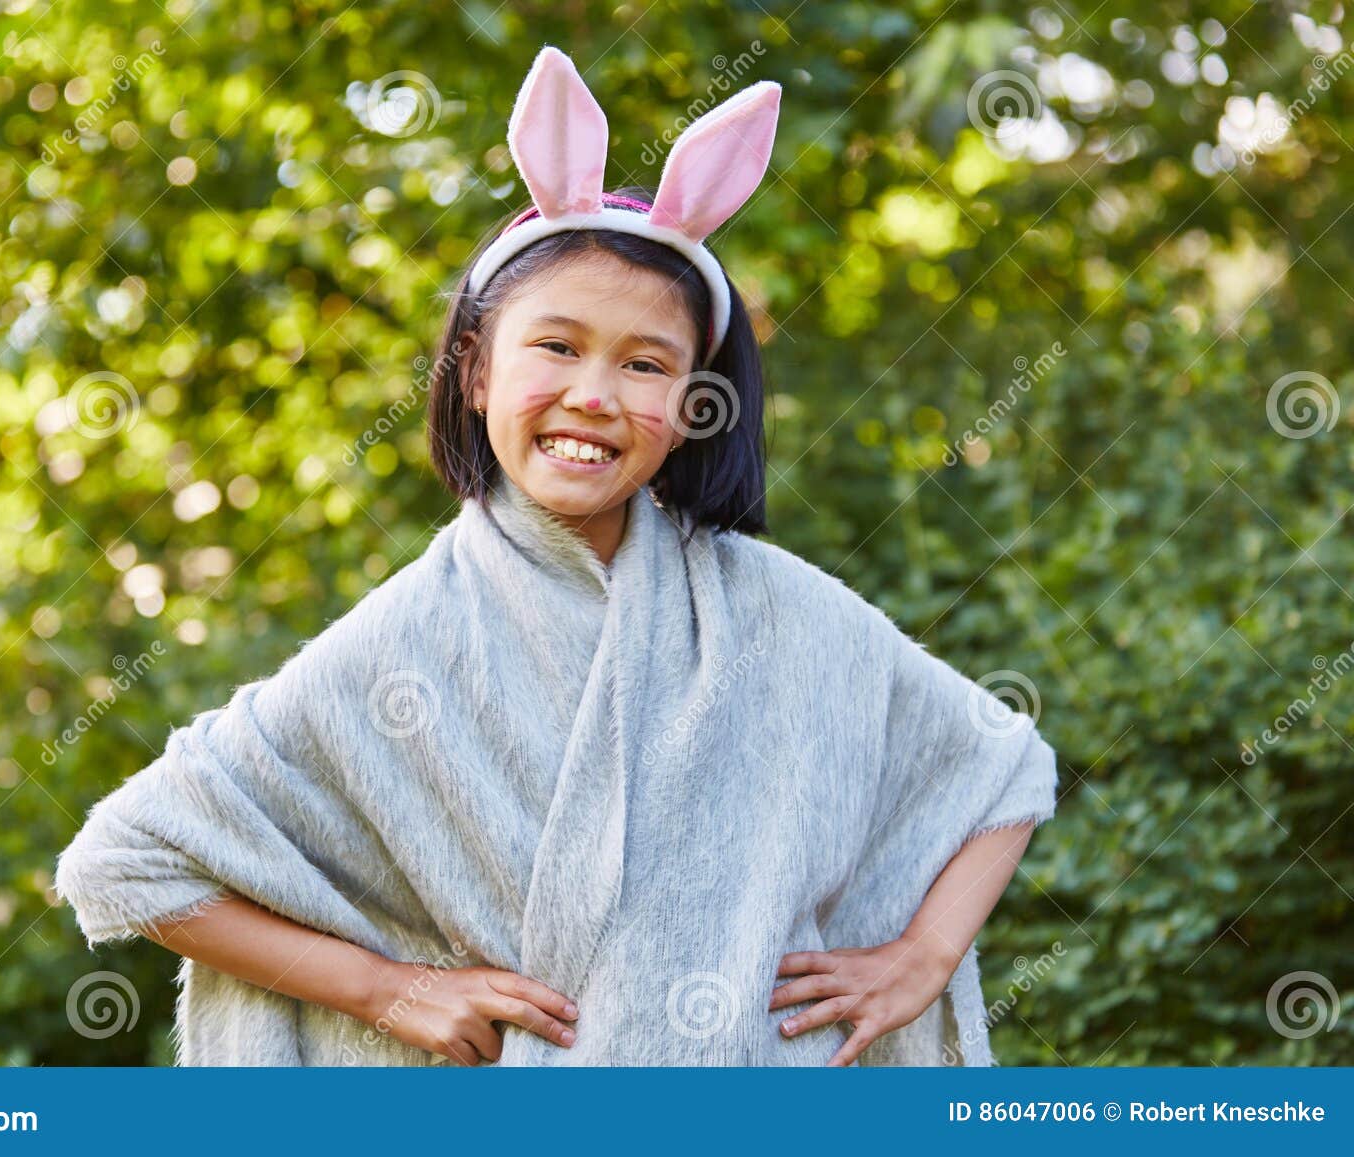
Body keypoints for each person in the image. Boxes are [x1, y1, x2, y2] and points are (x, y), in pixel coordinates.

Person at [53, 46, 1059, 1068]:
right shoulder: (404, 639)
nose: (594, 394)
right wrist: (387, 989)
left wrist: (922, 956)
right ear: (477, 373)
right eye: (557, 346)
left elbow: (1001, 765)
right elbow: (125, 860)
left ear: (693, 405)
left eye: (646, 364)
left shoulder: (779, 610)